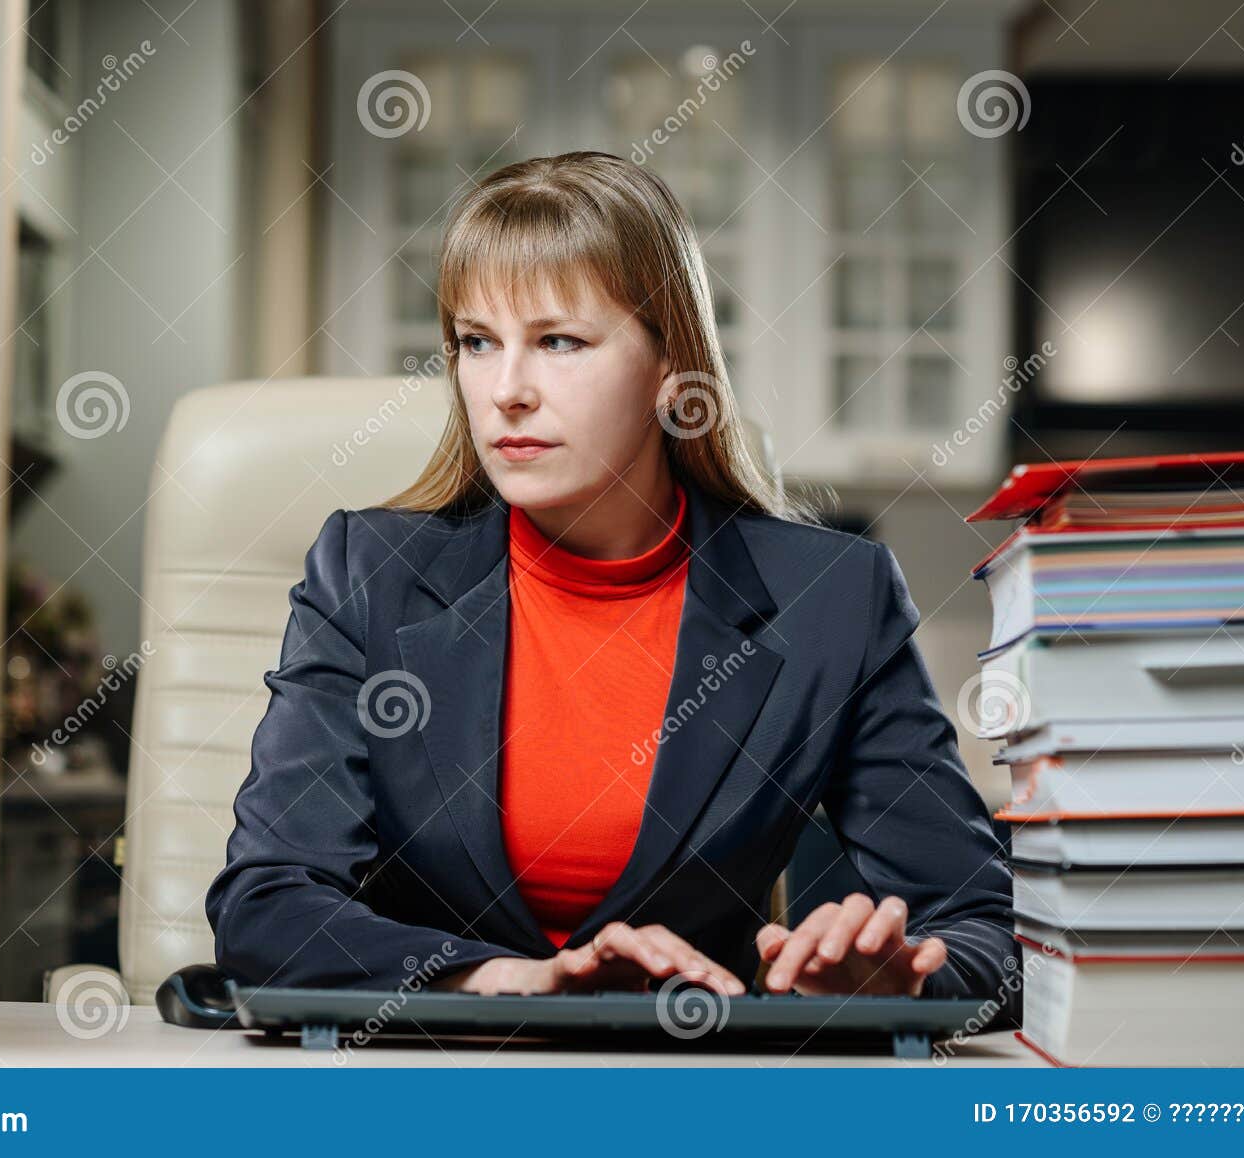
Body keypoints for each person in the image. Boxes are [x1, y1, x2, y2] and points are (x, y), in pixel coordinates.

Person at [206, 151, 1018, 1018]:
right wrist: (509, 983)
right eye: (476, 343)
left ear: (671, 367)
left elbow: (982, 932)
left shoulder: (833, 598)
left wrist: (902, 979)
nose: (505, 391)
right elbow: (268, 907)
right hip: (421, 1074)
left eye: (559, 341)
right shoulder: (369, 574)